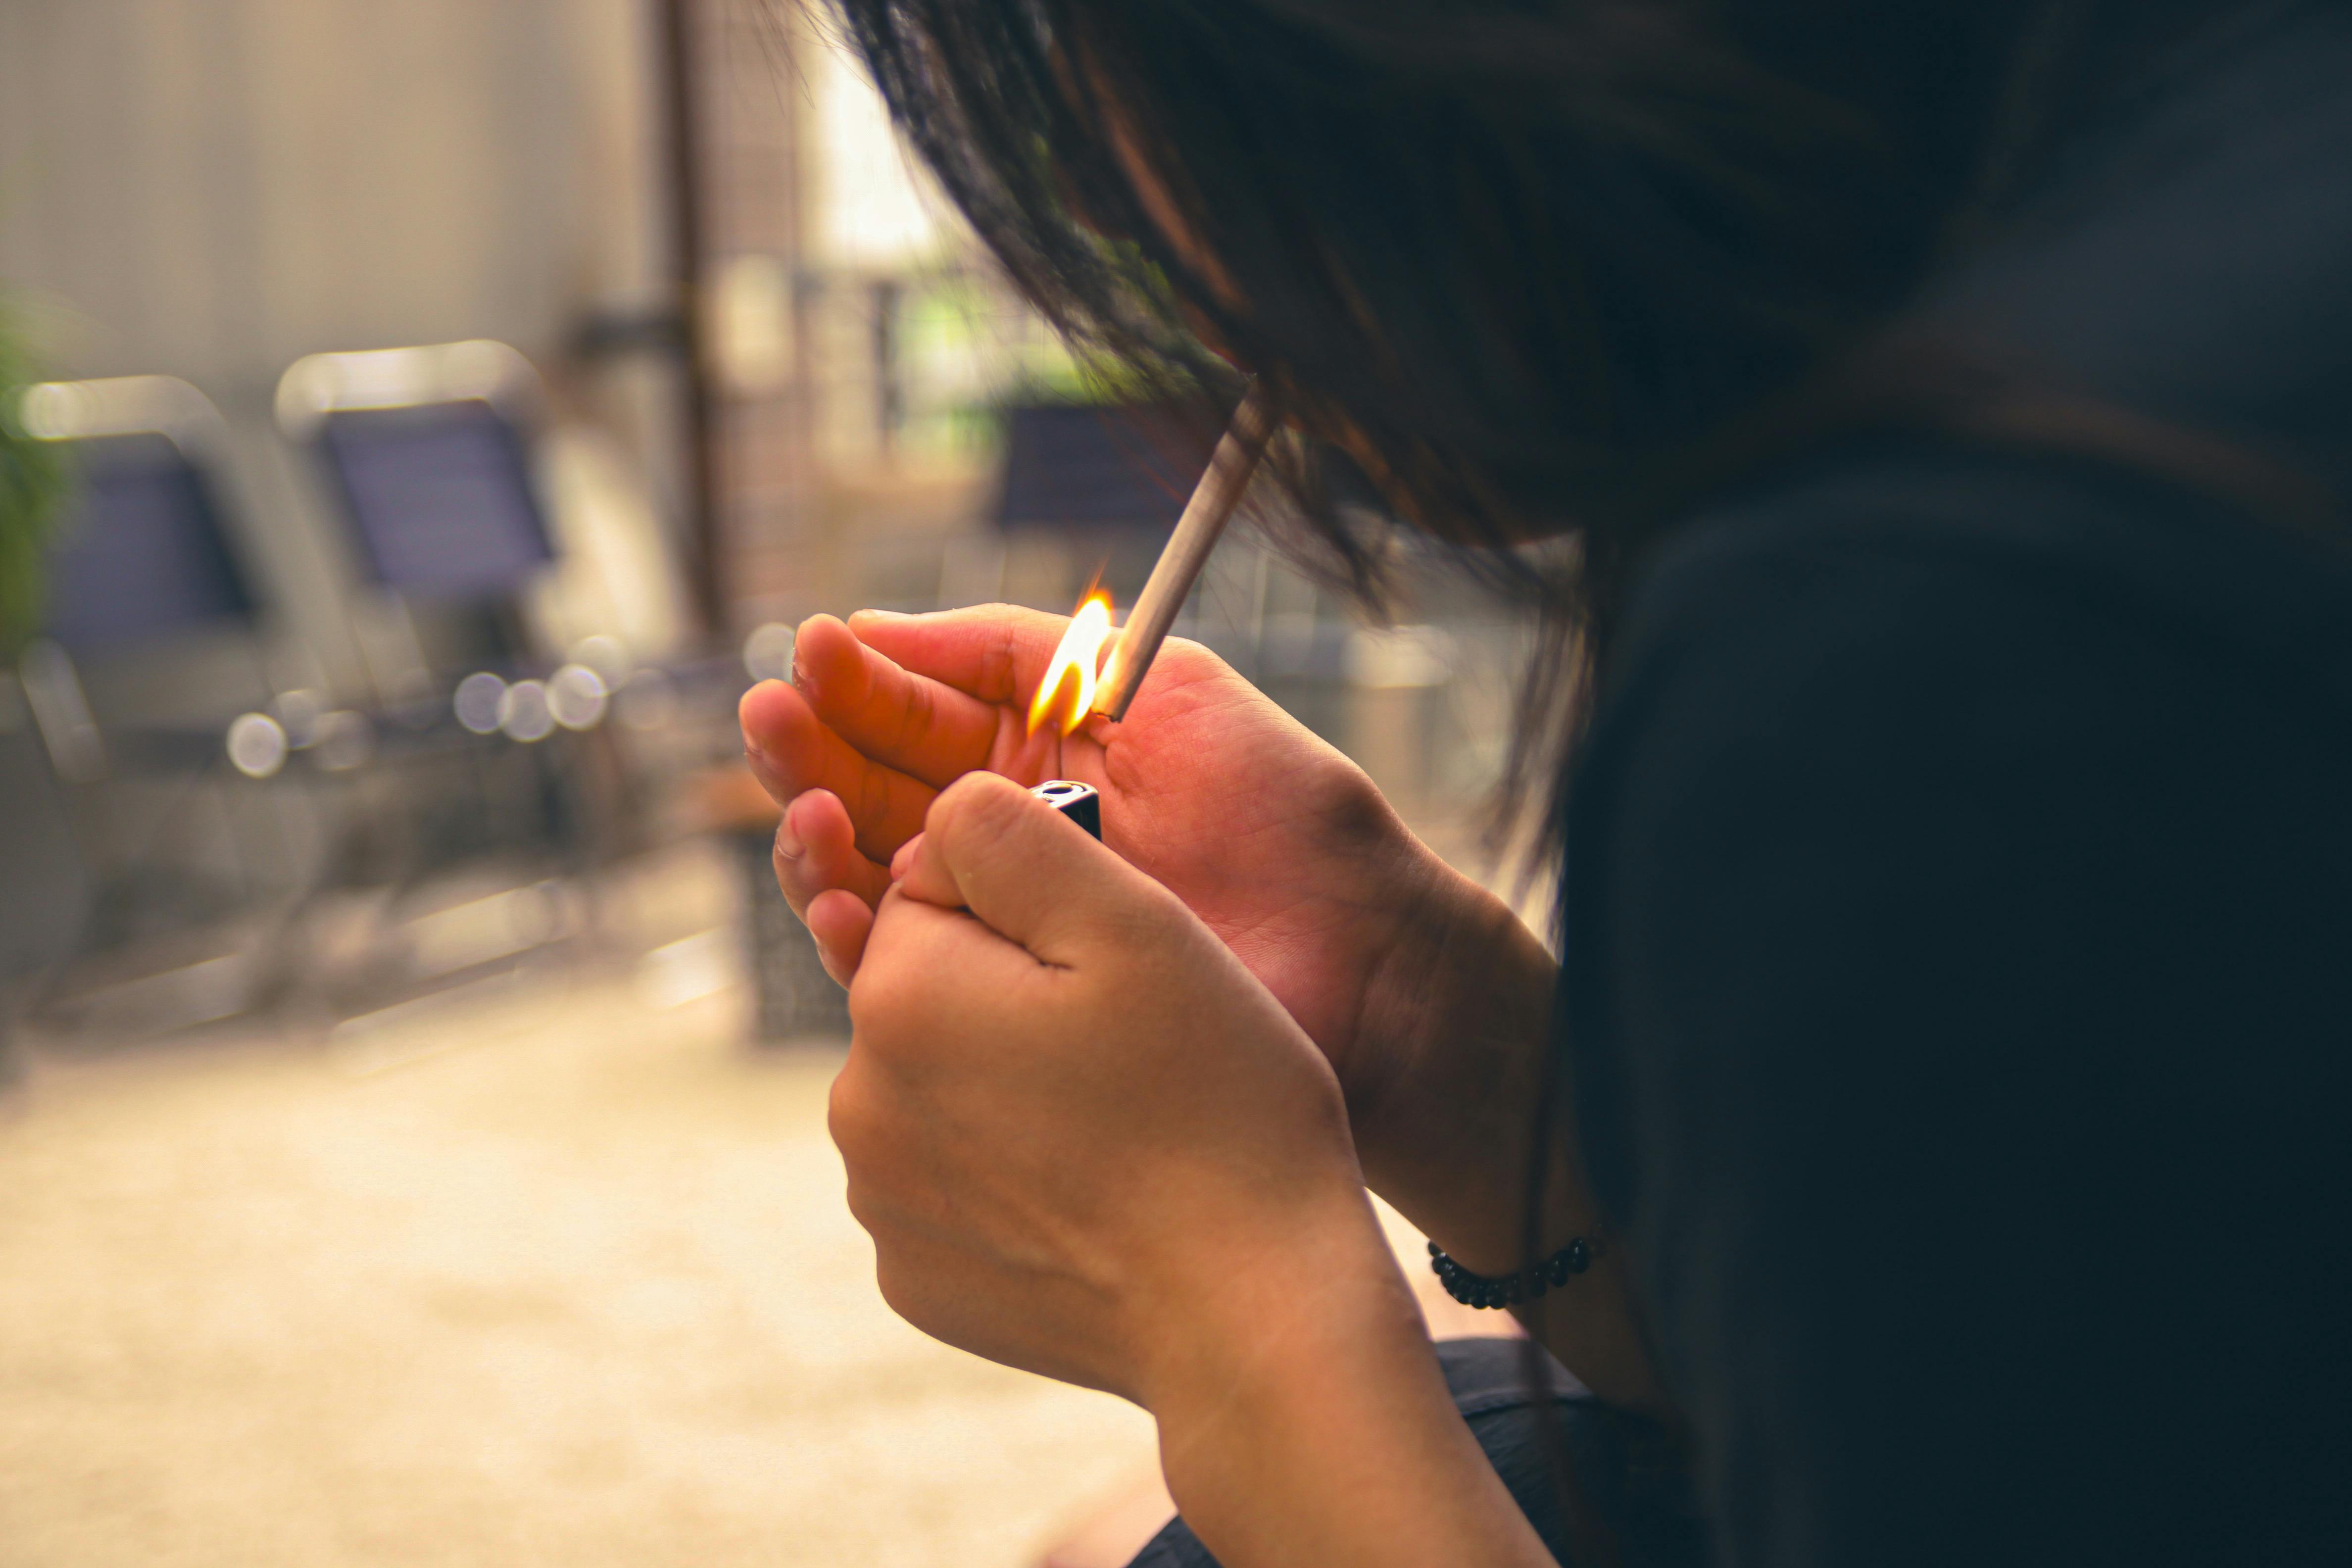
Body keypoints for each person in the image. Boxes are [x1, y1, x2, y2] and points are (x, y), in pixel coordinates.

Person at [740, 3, 2352, 1563]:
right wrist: (1433, 1024)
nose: (1149, 237)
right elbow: (2052, 1378)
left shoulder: (1955, 621)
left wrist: (1230, 1316)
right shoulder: (2187, 170)